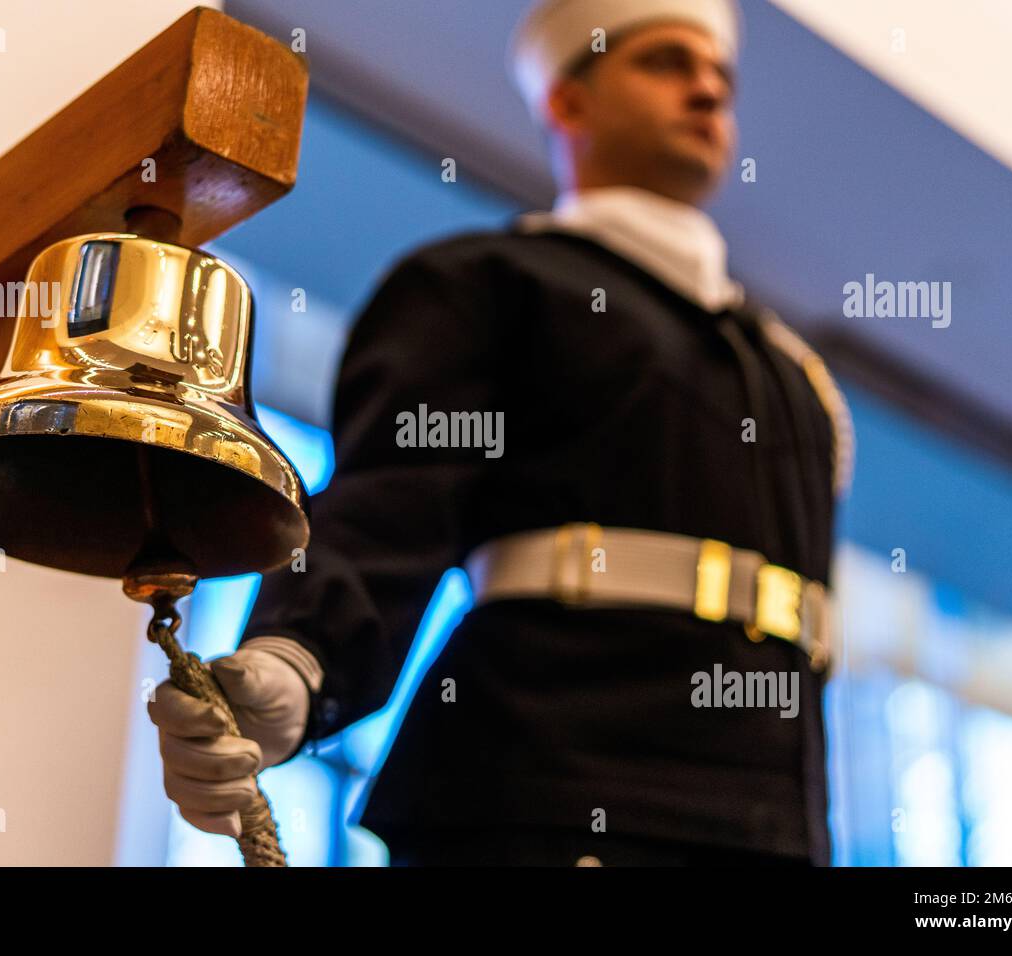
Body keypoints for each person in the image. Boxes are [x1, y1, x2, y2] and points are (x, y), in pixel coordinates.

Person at [146, 0, 853, 866]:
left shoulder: (790, 375)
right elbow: (391, 503)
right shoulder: (489, 284)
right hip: (544, 796)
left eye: (720, 75)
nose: (707, 89)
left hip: (771, 827)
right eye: (666, 62)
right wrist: (300, 655)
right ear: (569, 101)